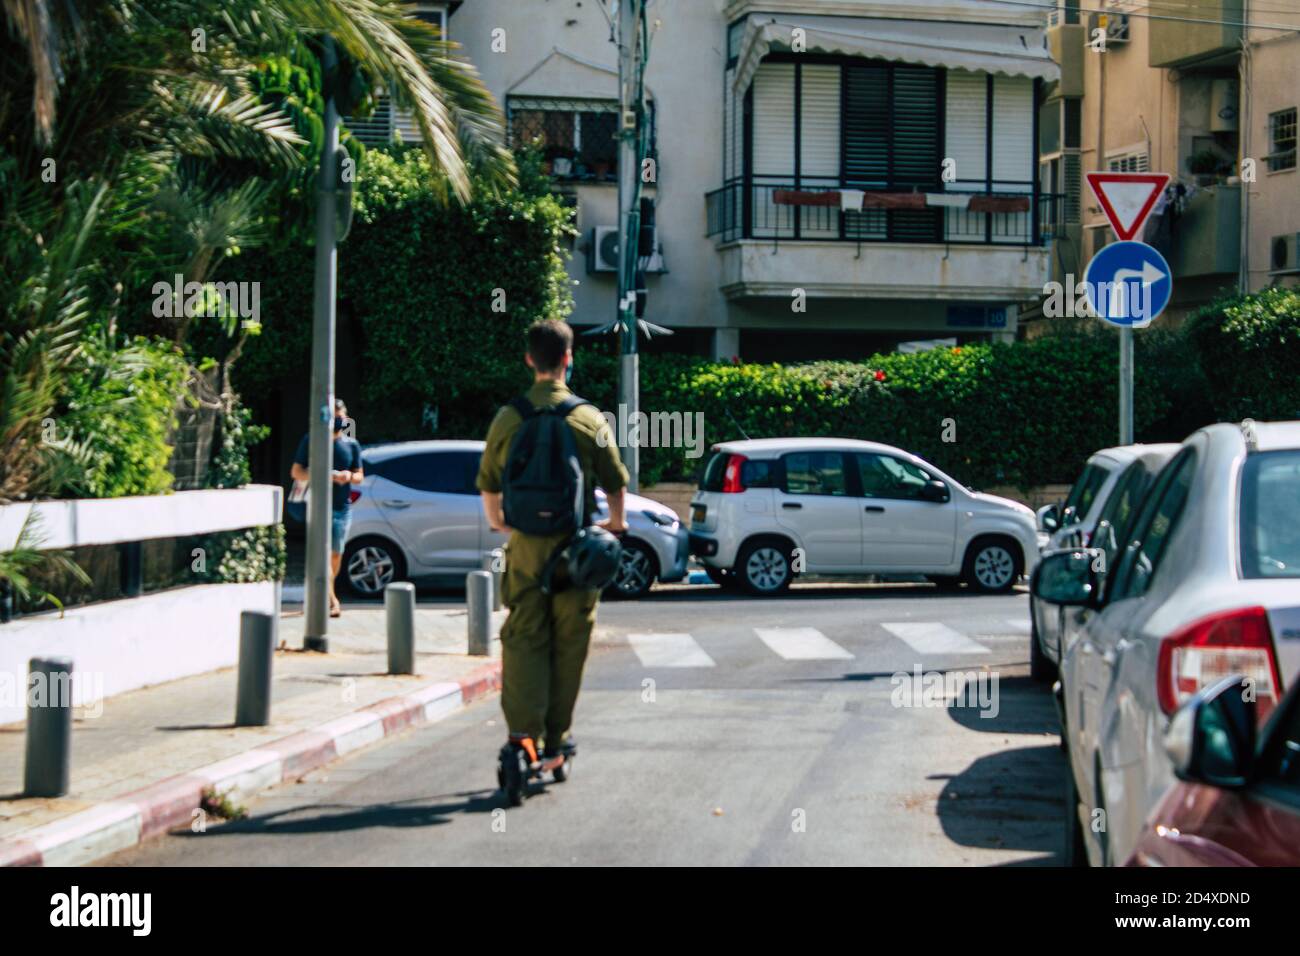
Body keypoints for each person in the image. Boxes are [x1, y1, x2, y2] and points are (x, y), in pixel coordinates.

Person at [477, 319, 627, 769]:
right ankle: (557, 742)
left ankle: (522, 735)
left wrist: (502, 523)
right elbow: (616, 482)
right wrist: (614, 525)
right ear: (568, 358)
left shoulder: (509, 416)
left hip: (525, 548)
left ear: (529, 360)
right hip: (576, 551)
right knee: (569, 642)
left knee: (524, 637)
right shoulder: (588, 417)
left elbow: (488, 484)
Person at [291, 399, 363, 618]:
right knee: (320, 555)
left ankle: (321, 597)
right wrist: (323, 474)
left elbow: (359, 475)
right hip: (318, 506)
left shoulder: (351, 445)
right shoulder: (312, 441)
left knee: (335, 555)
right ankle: (330, 600)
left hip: (342, 509)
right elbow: (296, 472)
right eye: (336, 416)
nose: (339, 420)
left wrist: (347, 476)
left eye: (342, 416)